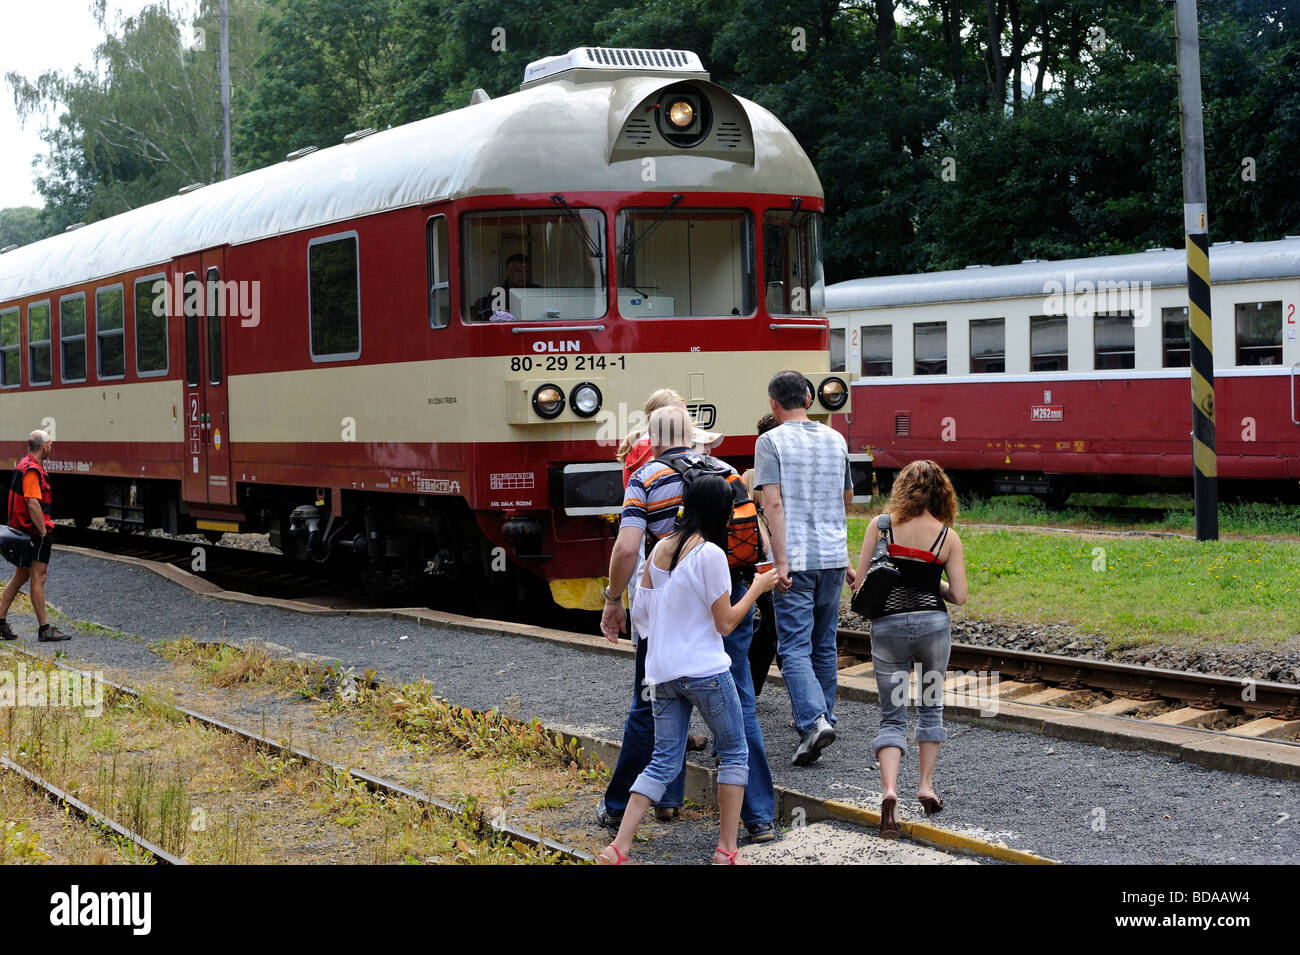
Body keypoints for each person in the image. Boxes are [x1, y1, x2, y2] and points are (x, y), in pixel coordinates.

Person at [600, 405, 778, 843]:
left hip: (669, 608)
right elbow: (755, 530)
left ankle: (634, 806)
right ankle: (758, 819)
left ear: (653, 438)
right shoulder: (724, 470)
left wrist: (612, 601)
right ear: (694, 434)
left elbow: (626, 549)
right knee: (738, 702)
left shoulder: (646, 476)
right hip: (726, 594)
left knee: (650, 706)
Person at [851, 460, 967, 838]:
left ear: (902, 489)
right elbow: (960, 596)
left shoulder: (881, 526)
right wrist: (936, 587)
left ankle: (889, 792)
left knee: (891, 716)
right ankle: (926, 787)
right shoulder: (947, 536)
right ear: (941, 493)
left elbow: (861, 584)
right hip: (933, 628)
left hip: (888, 627)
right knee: (931, 707)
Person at [753, 370, 855, 765]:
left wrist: (781, 562)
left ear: (773, 404)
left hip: (795, 559)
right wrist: (842, 554)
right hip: (831, 557)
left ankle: (813, 723)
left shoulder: (770, 441)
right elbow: (845, 497)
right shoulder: (836, 439)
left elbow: (773, 504)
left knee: (793, 647)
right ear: (809, 399)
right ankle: (824, 718)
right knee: (823, 645)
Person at [0, 430, 69, 642]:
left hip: (22, 532)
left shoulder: (24, 464)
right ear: (45, 447)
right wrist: (43, 532)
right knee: (39, 577)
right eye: (50, 444)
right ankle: (44, 629)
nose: (51, 447)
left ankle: (0, 621)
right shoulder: (32, 470)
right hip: (32, 533)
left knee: (21, 576)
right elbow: (32, 503)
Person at [742, 413, 780, 696]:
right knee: (776, 626)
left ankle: (750, 686)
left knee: (773, 627)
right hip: (769, 563)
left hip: (766, 563)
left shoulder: (752, 477)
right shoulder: (751, 478)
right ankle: (751, 686)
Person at [473, 253, 540, 321]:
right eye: (518, 271)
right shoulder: (497, 293)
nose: (524, 275)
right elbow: (492, 320)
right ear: (508, 272)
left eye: (527, 272)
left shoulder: (538, 291)